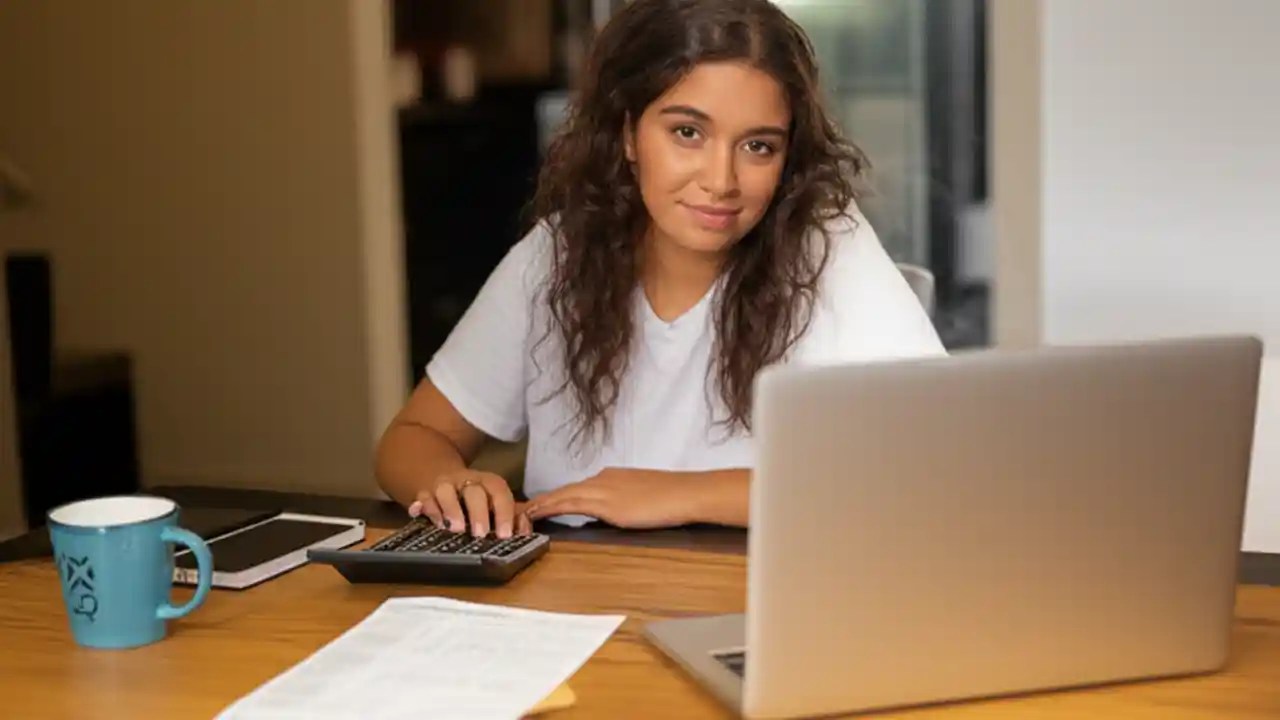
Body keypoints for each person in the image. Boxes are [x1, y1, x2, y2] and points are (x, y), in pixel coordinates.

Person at [375, 0, 945, 539]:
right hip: (573, 604)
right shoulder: (559, 252)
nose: (721, 180)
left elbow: (936, 473)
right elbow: (413, 437)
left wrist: (682, 496)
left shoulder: (827, 249)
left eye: (758, 147)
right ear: (627, 134)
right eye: (687, 133)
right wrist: (451, 485)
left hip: (750, 609)